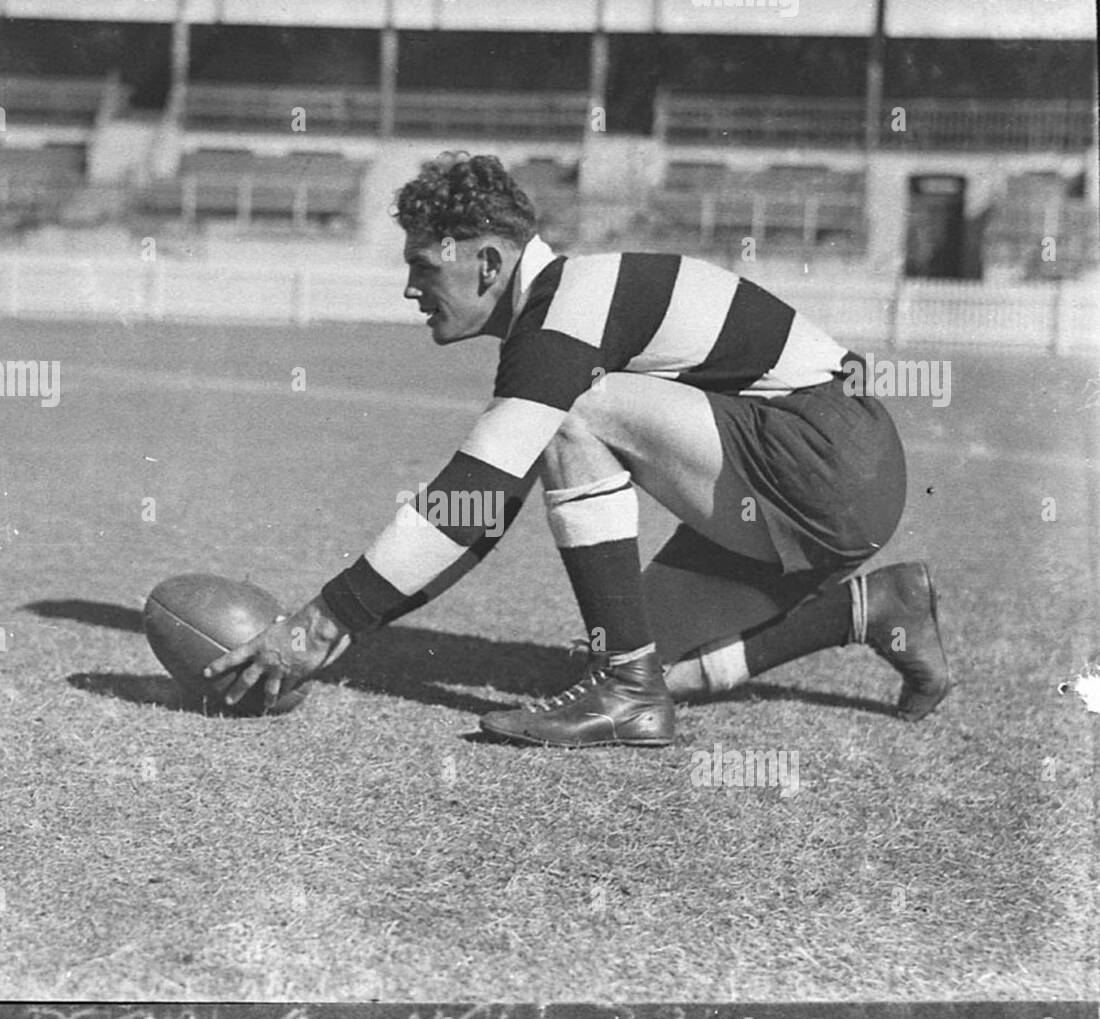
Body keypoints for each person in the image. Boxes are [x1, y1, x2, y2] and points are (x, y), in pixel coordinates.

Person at [206, 152, 951, 746]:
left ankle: (625, 690)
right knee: (655, 656)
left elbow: (476, 491)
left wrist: (322, 623)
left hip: (824, 454)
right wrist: (348, 622)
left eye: (425, 267)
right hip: (839, 468)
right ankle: (875, 606)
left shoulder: (567, 308)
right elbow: (487, 507)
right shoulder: (565, 309)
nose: (411, 290)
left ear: (489, 264)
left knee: (578, 414)